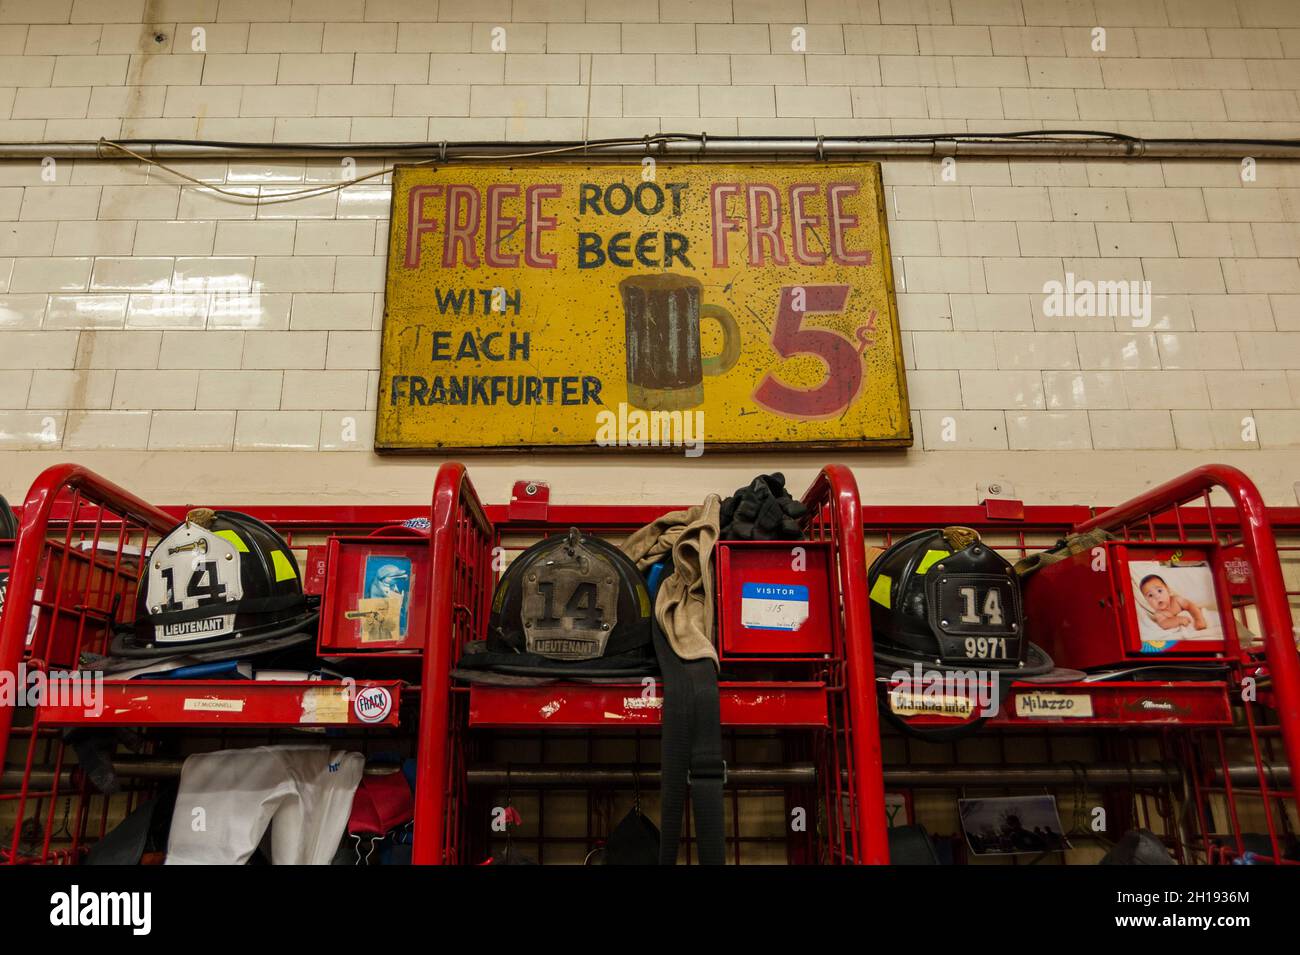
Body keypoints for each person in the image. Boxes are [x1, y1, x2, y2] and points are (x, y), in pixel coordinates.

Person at [1139, 574, 1207, 631]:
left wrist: (1198, 619)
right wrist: (1178, 620)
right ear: (1147, 601)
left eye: (1159, 591)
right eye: (1150, 595)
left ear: (1168, 590)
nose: (1157, 597)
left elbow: (1190, 605)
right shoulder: (1159, 614)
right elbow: (1164, 624)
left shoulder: (1176, 600)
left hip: (1195, 620)